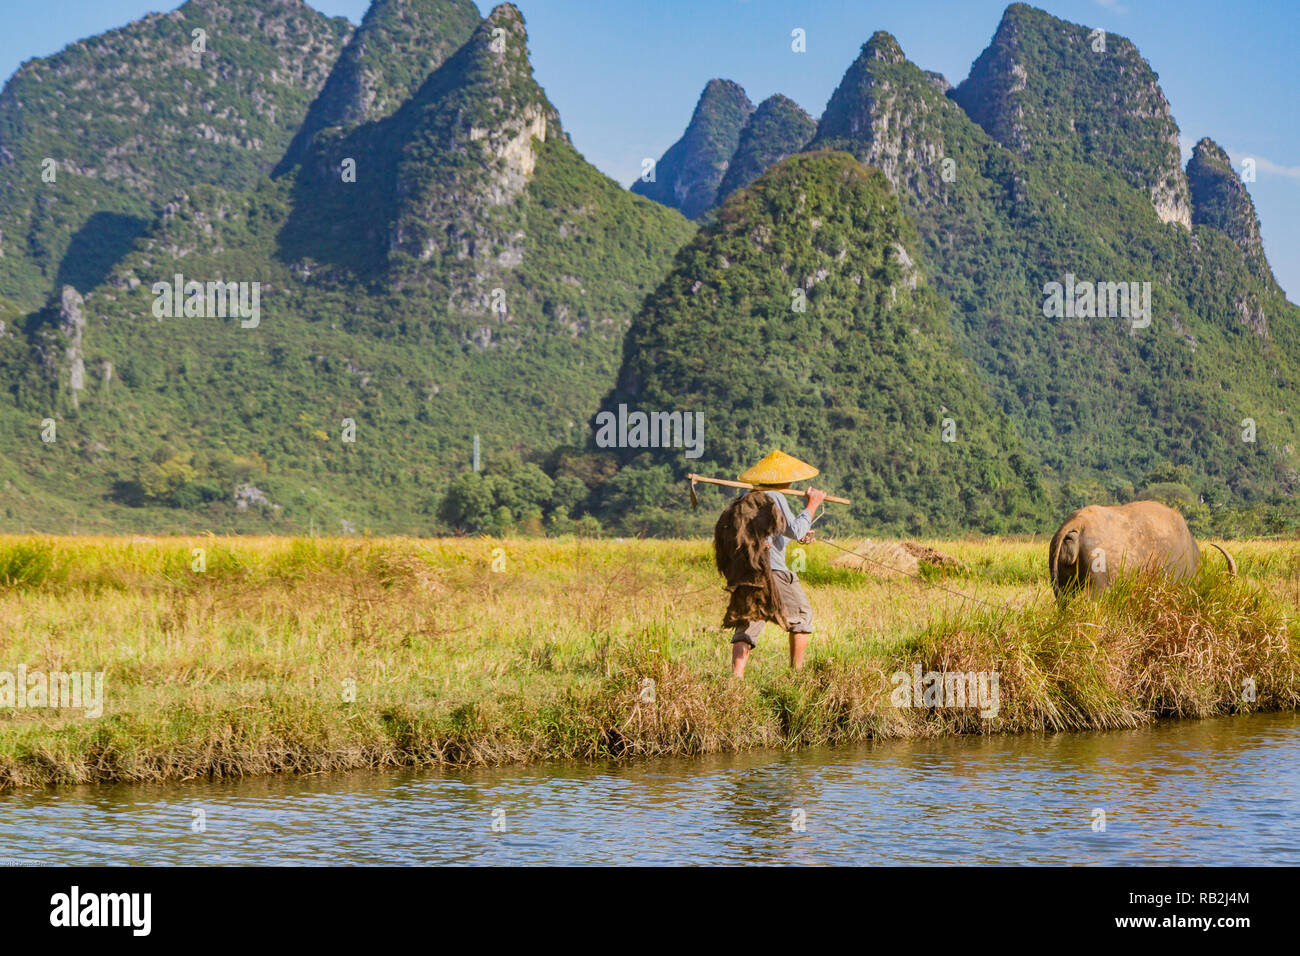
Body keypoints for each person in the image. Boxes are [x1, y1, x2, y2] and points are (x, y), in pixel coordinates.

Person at [720, 451, 827, 678]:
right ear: (784, 479)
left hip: (748, 571)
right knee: (802, 615)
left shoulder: (747, 500)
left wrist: (800, 535)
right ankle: (796, 675)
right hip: (773, 571)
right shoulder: (774, 497)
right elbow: (795, 529)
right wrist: (812, 504)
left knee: (749, 620)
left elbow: (776, 534)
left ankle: (735, 680)